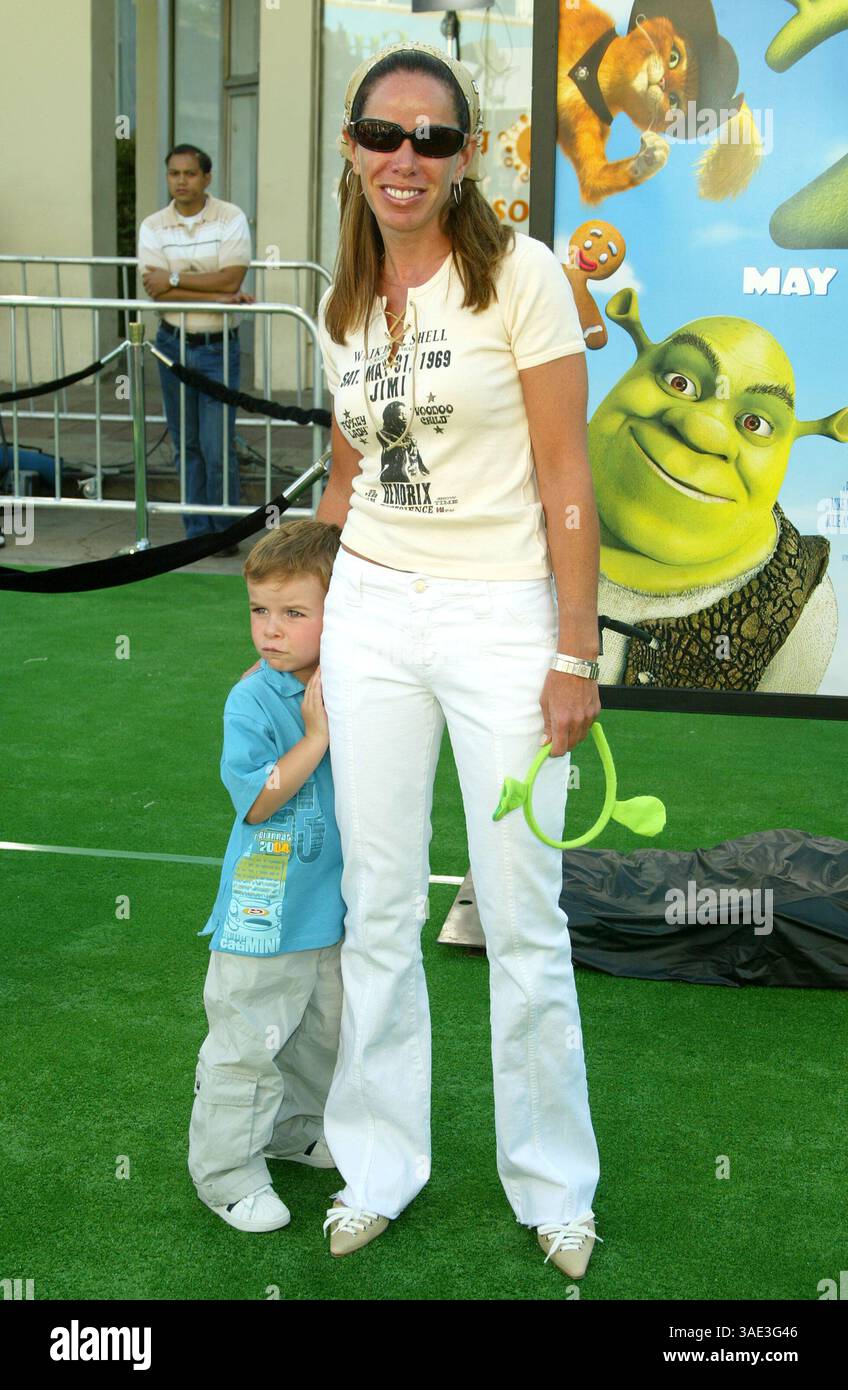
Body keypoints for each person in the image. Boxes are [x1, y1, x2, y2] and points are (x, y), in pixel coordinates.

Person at [315, 41, 604, 1278]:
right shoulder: (339, 298)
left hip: (501, 617)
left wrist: (574, 651)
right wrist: (310, 626)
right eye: (385, 135)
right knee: (376, 906)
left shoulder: (522, 278)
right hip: (371, 609)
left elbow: (564, 476)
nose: (406, 160)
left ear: (466, 156)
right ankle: (375, 1163)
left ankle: (553, 1185)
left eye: (433, 140)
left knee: (521, 909)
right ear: (352, 146)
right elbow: (346, 470)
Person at [188, 519, 345, 1230]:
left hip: (331, 912)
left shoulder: (355, 684)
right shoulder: (252, 698)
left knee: (321, 1036)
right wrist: (315, 737)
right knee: (246, 1044)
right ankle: (225, 1173)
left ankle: (291, 1134)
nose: (270, 630)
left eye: (293, 613)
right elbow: (255, 800)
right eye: (259, 611)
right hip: (262, 913)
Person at [138, 144, 253, 552]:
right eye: (174, 174)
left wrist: (175, 280)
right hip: (172, 344)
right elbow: (156, 294)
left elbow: (231, 279)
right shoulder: (153, 225)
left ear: (207, 177)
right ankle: (196, 534)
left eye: (189, 174)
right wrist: (214, 292)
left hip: (217, 347)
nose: (181, 181)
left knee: (216, 443)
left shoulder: (230, 217)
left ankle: (225, 534)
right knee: (185, 442)